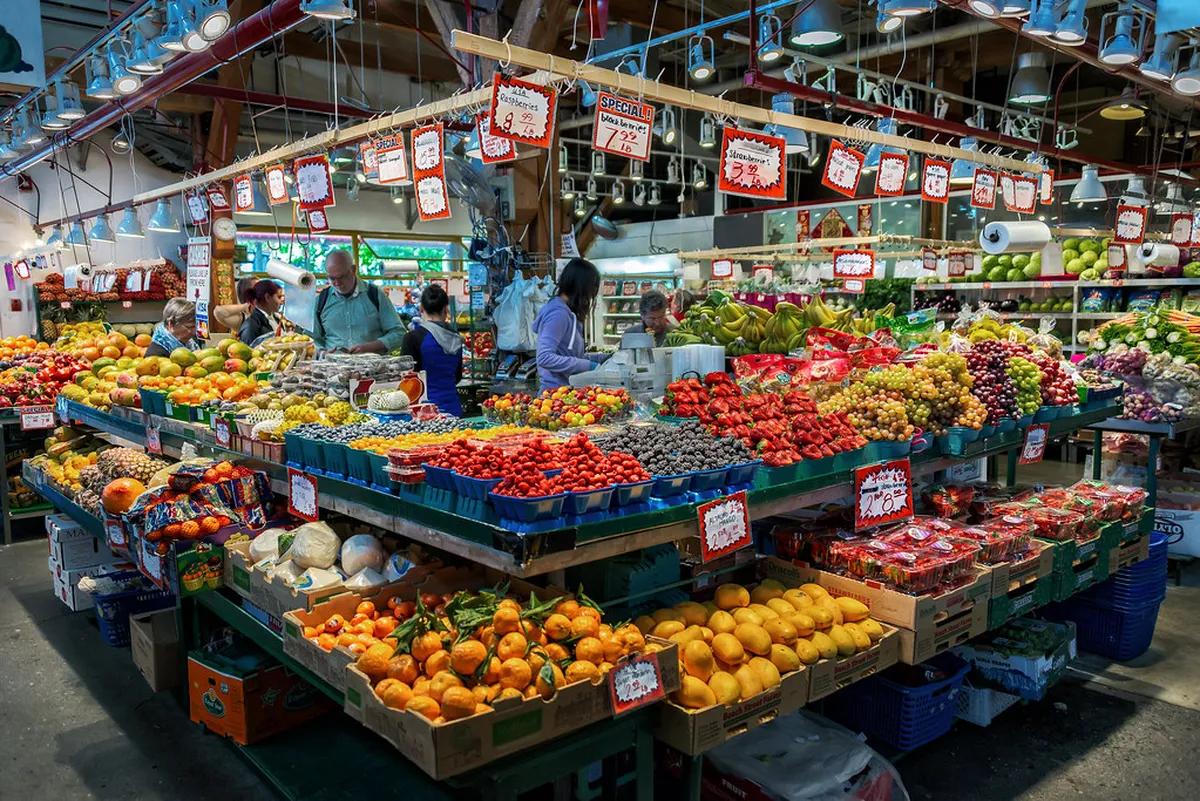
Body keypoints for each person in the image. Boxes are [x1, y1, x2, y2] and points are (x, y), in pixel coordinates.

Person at [310, 249, 405, 354]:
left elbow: (399, 333)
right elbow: (311, 339)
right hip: (333, 368)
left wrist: (372, 347)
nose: (337, 283)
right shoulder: (321, 301)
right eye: (332, 278)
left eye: (342, 277)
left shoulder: (375, 295)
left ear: (354, 270)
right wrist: (322, 352)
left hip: (372, 367)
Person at [531, 257, 606, 390]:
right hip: (554, 396)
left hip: (566, 392)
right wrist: (589, 366)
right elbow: (544, 357)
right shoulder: (558, 314)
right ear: (582, 286)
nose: (590, 296)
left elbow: (571, 356)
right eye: (591, 288)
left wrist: (602, 359)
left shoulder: (568, 312)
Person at [400, 284, 463, 416]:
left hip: (423, 412)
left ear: (421, 308)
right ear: (446, 309)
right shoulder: (456, 338)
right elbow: (457, 377)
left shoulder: (413, 337)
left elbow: (405, 380)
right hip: (453, 409)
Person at [239, 280, 286, 346]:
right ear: (267, 297)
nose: (282, 301)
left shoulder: (275, 318)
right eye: (279, 297)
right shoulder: (251, 327)